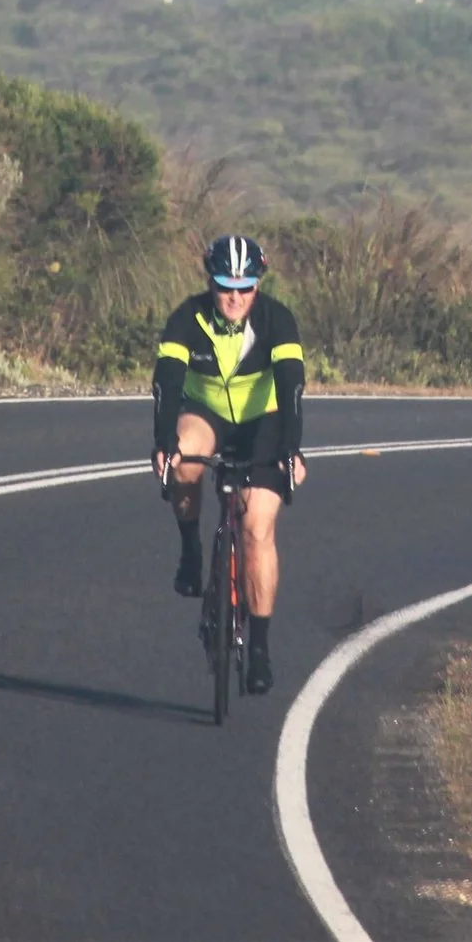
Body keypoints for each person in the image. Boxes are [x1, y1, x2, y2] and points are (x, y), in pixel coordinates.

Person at [151, 234, 308, 695]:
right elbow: (166, 385)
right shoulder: (188, 317)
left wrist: (292, 450)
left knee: (257, 526)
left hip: (265, 421)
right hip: (208, 415)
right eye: (224, 286)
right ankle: (191, 549)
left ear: (258, 285)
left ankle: (259, 647)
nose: (234, 297)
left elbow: (292, 387)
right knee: (184, 462)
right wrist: (163, 444)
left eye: (244, 287)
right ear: (210, 282)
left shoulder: (277, 320)